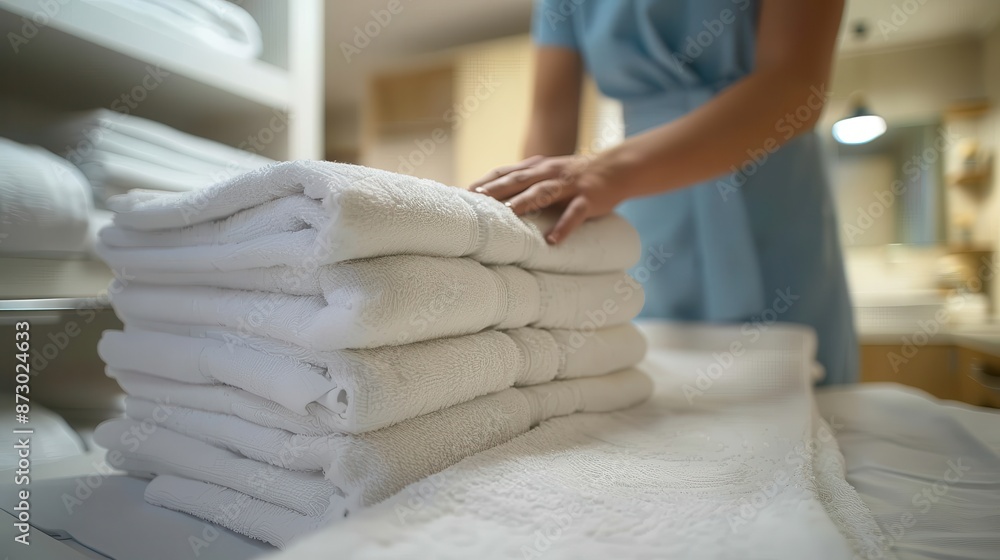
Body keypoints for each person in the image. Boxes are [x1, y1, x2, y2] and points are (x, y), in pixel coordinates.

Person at [469, 0, 856, 385]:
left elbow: (794, 84)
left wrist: (609, 171)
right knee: (647, 387)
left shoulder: (612, 173)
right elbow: (550, 117)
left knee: (800, 392)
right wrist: (528, 233)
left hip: (771, 205)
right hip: (649, 223)